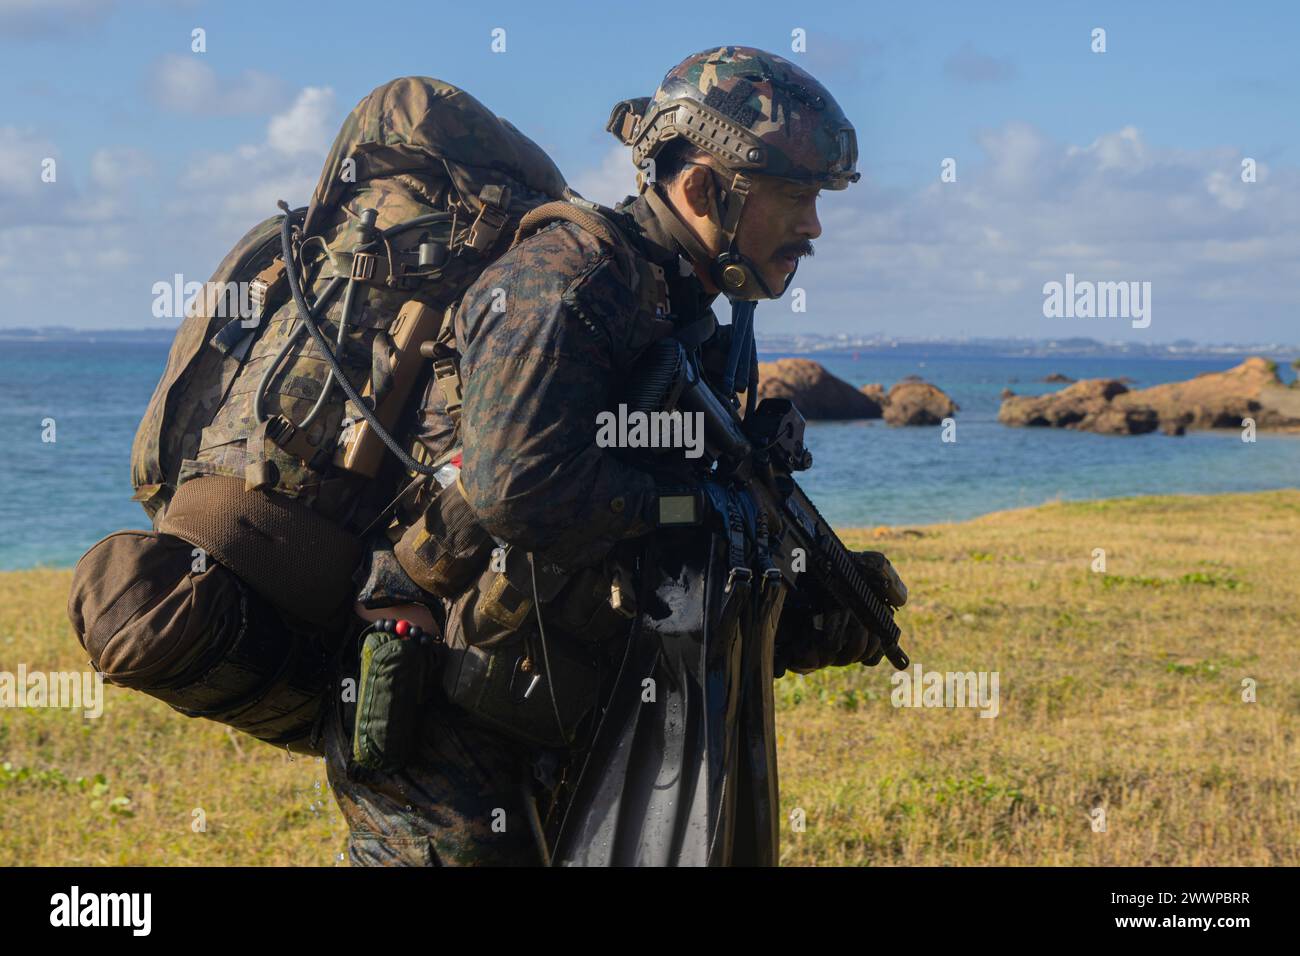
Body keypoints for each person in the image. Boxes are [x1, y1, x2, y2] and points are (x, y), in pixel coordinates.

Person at [322, 45, 908, 866]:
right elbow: (519, 489)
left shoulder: (683, 307)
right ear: (701, 188)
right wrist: (700, 511)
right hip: (442, 716)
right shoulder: (565, 282)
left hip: (552, 700)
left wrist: (799, 602)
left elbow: (656, 549)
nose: (813, 226)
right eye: (795, 197)